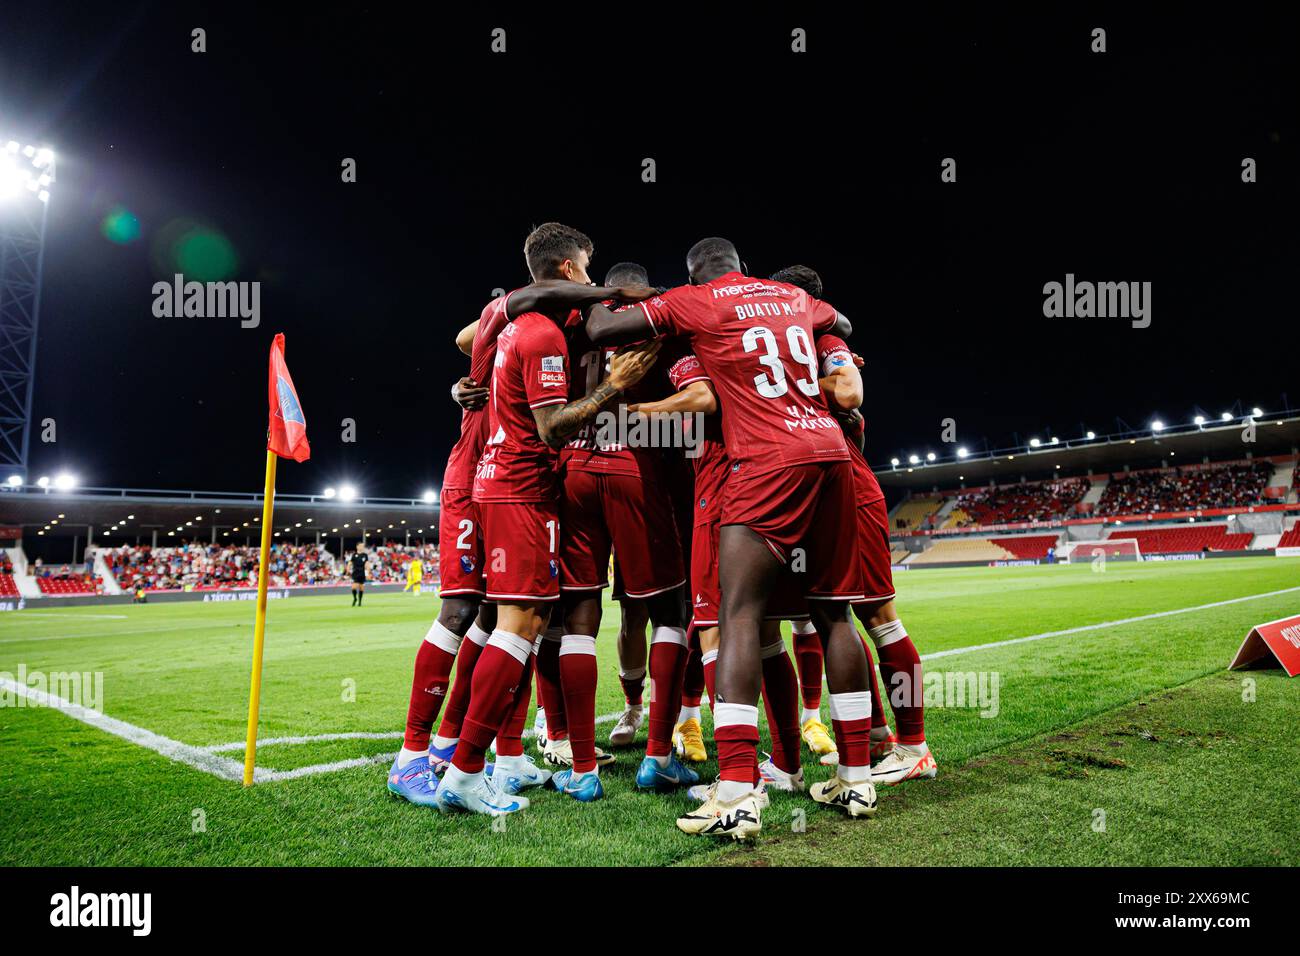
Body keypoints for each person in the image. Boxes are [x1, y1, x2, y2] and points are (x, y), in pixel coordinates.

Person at [586, 237, 874, 840]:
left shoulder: (696, 301)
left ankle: (738, 792)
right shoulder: (792, 295)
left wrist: (601, 298)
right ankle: (855, 778)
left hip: (764, 461)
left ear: (694, 275)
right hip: (830, 452)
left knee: (738, 617)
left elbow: (603, 329)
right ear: (743, 267)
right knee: (835, 617)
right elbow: (840, 319)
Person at [433, 222, 659, 816]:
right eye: (585, 268)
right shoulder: (539, 334)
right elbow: (554, 427)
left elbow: (469, 338)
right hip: (521, 490)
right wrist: (615, 384)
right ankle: (462, 771)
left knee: (515, 624)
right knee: (520, 626)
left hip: (507, 484)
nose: (590, 278)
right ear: (566, 270)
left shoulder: (506, 324)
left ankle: (499, 758)